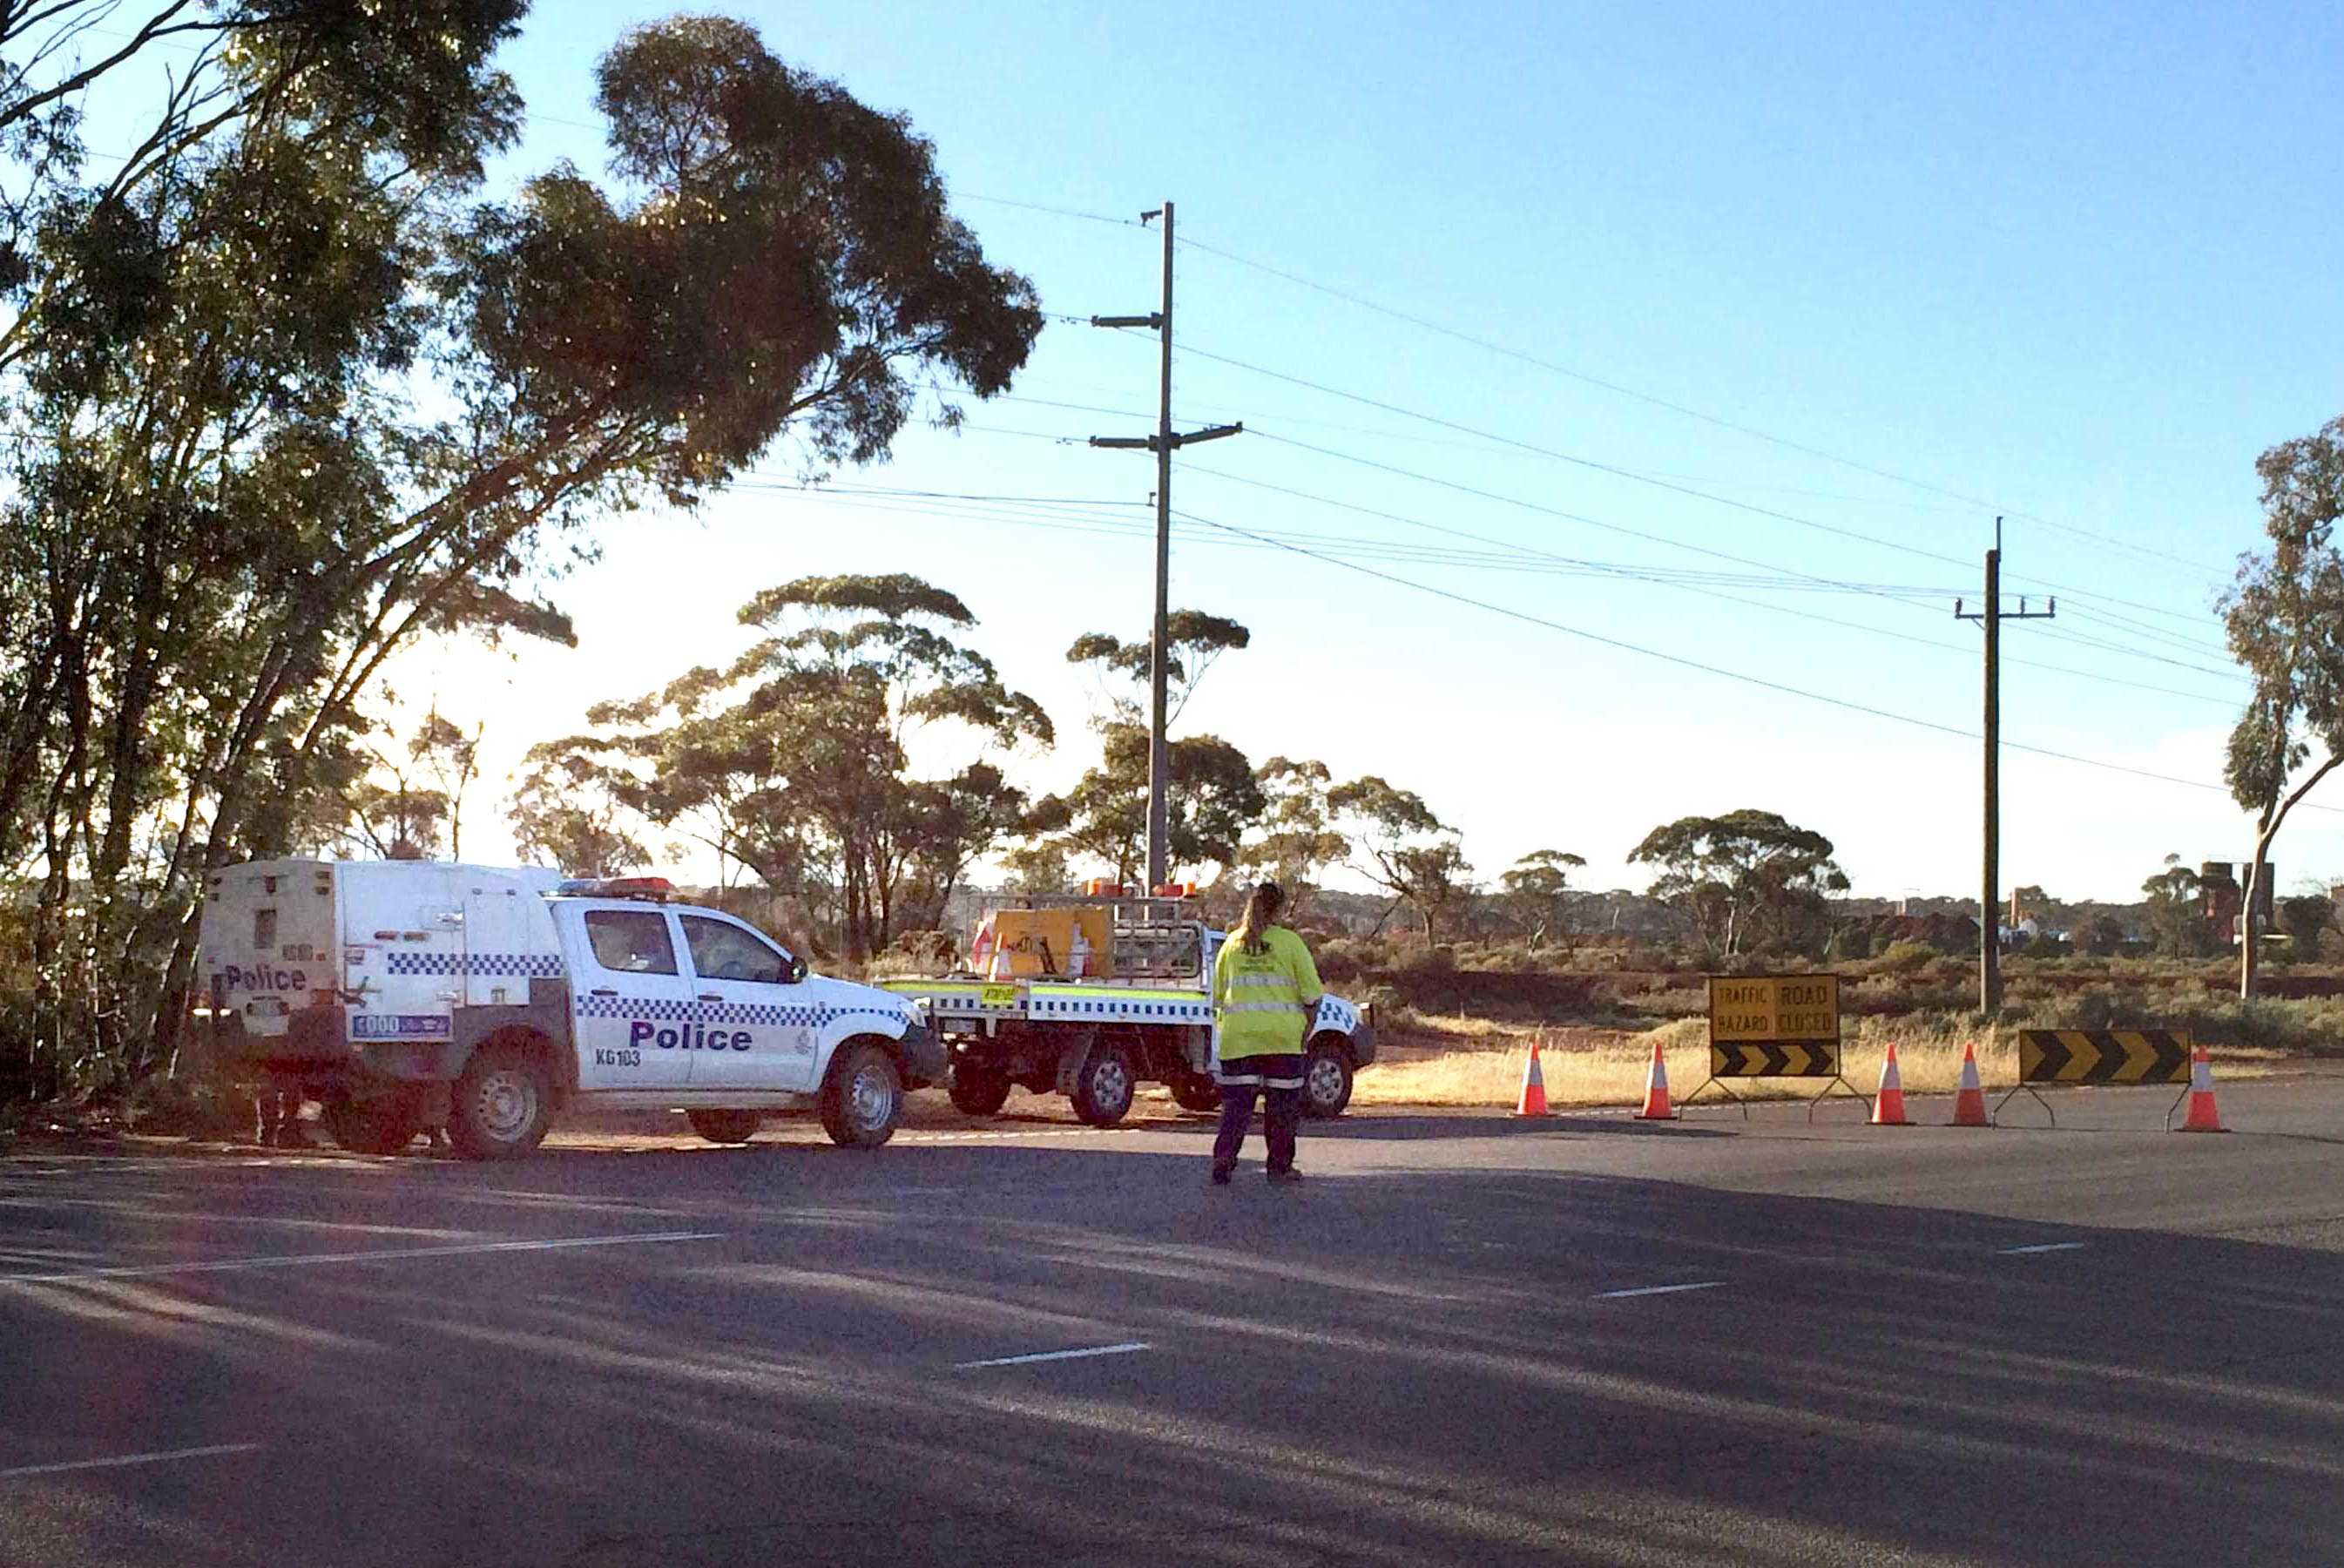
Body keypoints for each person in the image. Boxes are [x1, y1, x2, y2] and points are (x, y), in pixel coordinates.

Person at [1209, 881, 1323, 1186]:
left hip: (1238, 1039)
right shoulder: (1290, 943)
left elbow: (1218, 995)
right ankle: (1279, 1167)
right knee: (1282, 1107)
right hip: (1282, 1040)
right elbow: (1312, 994)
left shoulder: (1231, 944)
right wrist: (1307, 1028)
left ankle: (1224, 1159)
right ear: (1279, 909)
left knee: (1236, 1107)